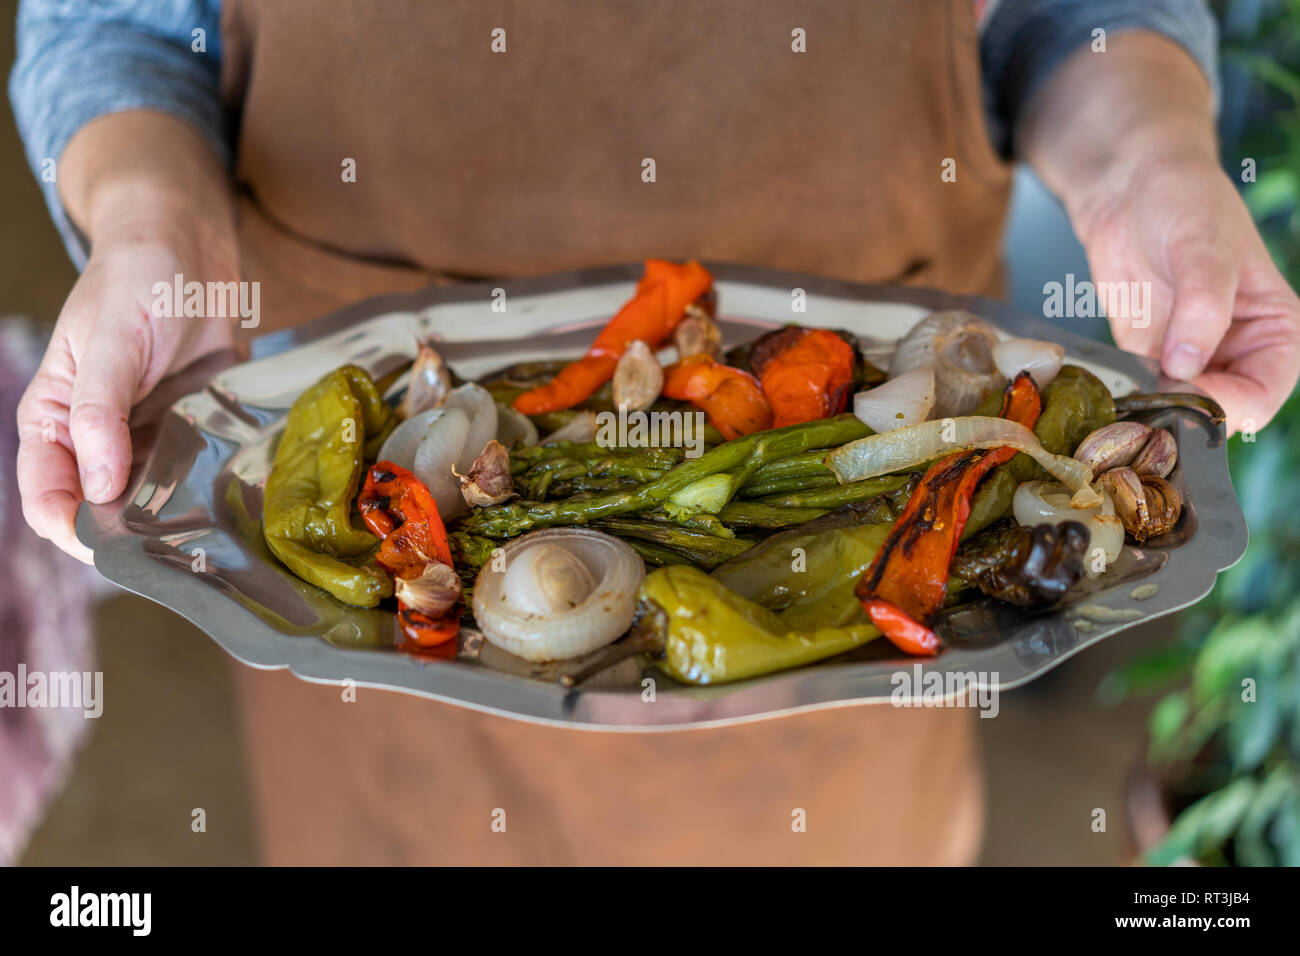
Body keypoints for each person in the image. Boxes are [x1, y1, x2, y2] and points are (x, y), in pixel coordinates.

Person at [10, 1, 1298, 864]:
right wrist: (149, 231)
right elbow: (118, 20)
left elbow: (1069, 12)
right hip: (373, 557)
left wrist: (1146, 162)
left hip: (850, 569)